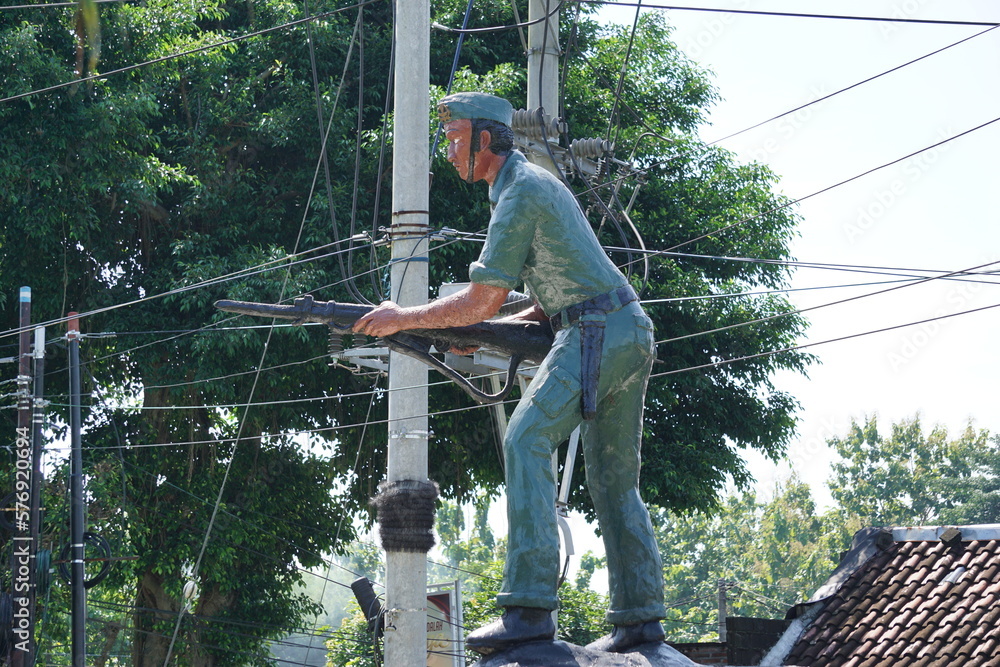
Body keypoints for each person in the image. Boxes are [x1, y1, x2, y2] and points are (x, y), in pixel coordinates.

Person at [353, 91, 666, 655]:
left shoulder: (520, 194)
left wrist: (405, 317)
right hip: (624, 327)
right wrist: (484, 324)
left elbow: (479, 300)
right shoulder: (532, 184)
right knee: (614, 482)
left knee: (525, 439)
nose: (447, 153)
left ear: (487, 141)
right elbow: (548, 292)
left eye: (454, 140)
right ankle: (641, 619)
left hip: (594, 332)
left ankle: (528, 609)